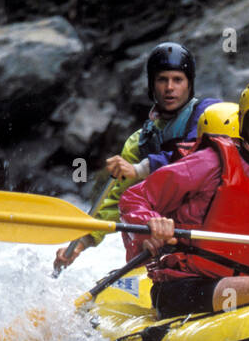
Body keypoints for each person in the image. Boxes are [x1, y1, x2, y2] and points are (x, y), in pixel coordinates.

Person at [118, 80, 249, 318]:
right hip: (183, 287)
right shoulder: (211, 161)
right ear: (245, 122)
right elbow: (134, 196)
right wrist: (151, 222)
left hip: (240, 282)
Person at [54, 41, 220, 271]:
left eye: (177, 80)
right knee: (131, 210)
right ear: (152, 85)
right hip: (160, 235)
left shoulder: (210, 115)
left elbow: (192, 154)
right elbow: (113, 203)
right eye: (162, 80)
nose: (169, 88)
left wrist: (142, 168)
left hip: (208, 227)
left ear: (189, 84)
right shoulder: (139, 141)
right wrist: (80, 244)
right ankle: (154, 273)